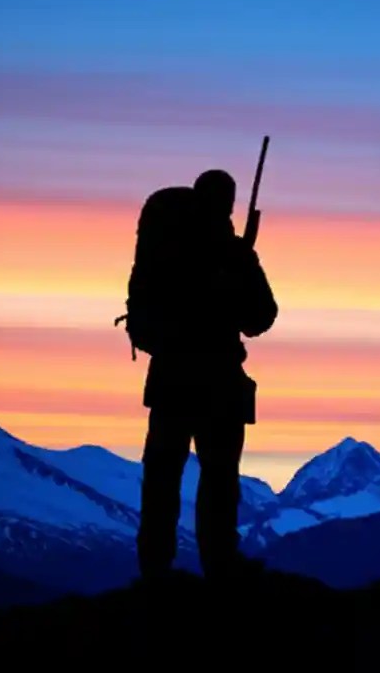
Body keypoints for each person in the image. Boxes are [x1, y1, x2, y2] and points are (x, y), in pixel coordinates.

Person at [132, 168, 278, 582]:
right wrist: (240, 269)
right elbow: (261, 317)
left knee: (163, 477)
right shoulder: (230, 253)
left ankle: (155, 570)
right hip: (218, 382)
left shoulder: (166, 252)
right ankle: (220, 564)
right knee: (219, 479)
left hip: (171, 380)